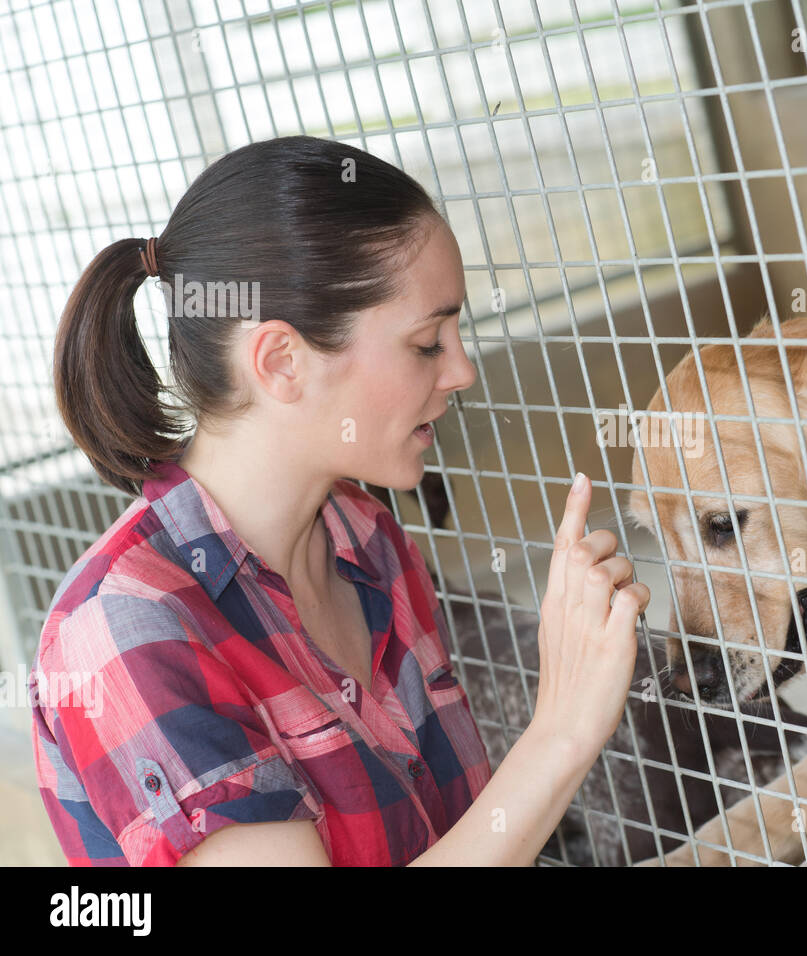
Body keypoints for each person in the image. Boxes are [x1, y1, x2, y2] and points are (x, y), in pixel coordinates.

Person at [29, 135, 650, 866]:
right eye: (427, 343)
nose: (462, 372)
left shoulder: (367, 535)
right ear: (283, 363)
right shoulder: (123, 630)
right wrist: (563, 730)